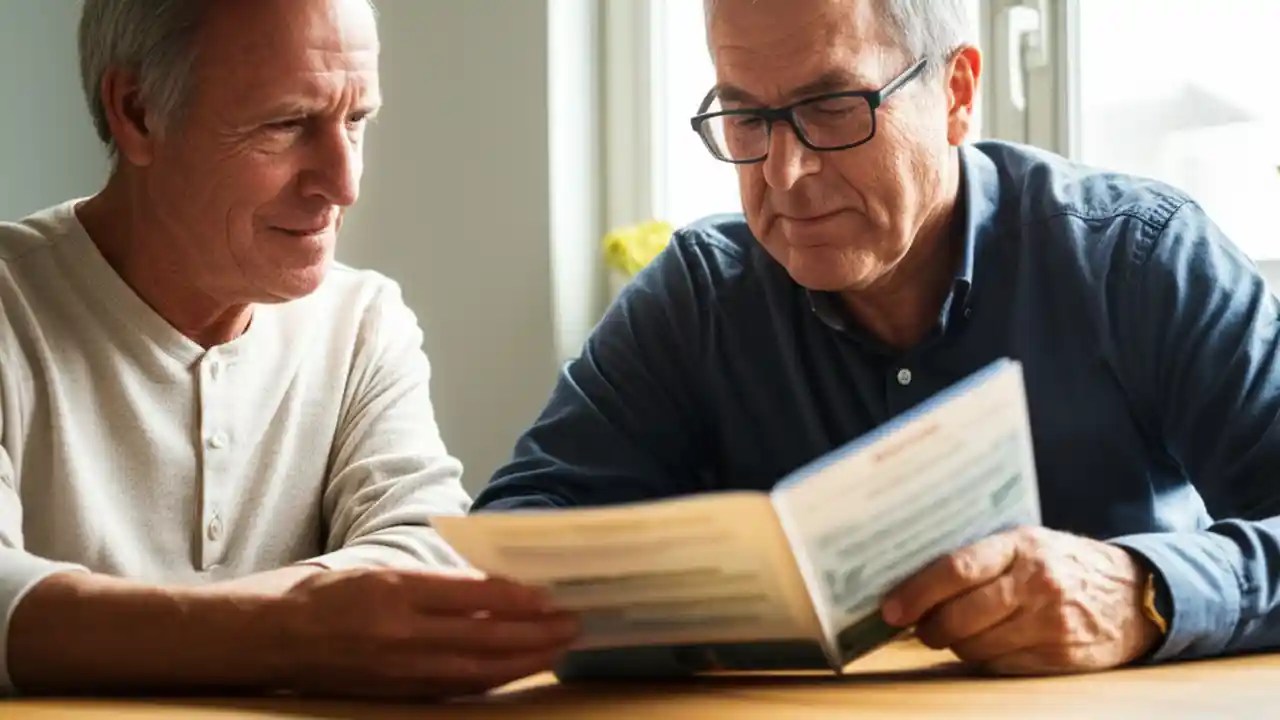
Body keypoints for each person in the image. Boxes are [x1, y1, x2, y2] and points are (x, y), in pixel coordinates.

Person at [475, 0, 1280, 675]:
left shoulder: (1137, 258)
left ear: (958, 94)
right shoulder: (701, 297)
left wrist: (1144, 592)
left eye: (832, 109)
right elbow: (513, 536)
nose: (783, 174)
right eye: (747, 117)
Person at [0, 0, 576, 698]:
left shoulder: (364, 320)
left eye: (356, 122)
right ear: (138, 111)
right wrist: (289, 630)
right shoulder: (14, 306)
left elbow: (429, 551)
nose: (344, 183)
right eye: (287, 124)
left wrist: (237, 628)